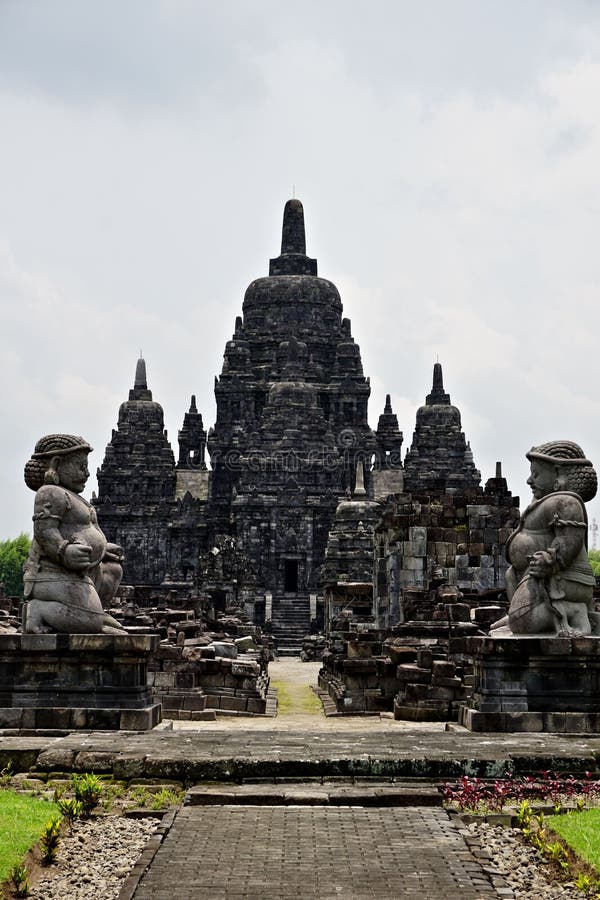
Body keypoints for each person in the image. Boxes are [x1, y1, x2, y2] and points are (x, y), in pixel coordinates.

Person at [491, 441, 598, 636]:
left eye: (536, 474)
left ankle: (574, 611)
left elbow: (569, 543)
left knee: (522, 623)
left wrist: (551, 561)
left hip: (565, 579)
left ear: (557, 473)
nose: (529, 480)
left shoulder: (567, 503)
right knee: (510, 575)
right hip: (536, 576)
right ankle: (523, 613)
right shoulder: (544, 502)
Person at [22, 434, 126, 634]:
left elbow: (83, 529)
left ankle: (92, 614)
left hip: (81, 573)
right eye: (80, 466)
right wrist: (64, 550)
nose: (87, 473)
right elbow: (44, 533)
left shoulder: (74, 497)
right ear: (57, 463)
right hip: (51, 574)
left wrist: (102, 550)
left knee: (112, 569)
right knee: (92, 623)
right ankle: (39, 610)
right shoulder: (50, 492)